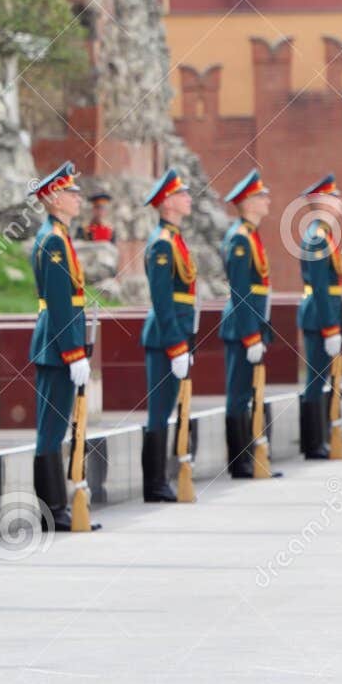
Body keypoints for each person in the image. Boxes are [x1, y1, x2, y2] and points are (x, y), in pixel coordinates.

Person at [27, 161, 98, 531]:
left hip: (59, 342)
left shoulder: (60, 236)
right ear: (54, 198)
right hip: (56, 344)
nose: (77, 198)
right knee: (51, 429)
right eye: (71, 192)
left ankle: (56, 507)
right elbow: (58, 302)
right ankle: (51, 509)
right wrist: (73, 353)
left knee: (54, 426)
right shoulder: (53, 239)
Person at [140, 169, 197, 502]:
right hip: (165, 337)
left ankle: (161, 480)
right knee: (159, 411)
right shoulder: (162, 243)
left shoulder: (174, 239)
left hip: (175, 336)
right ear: (169, 202)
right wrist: (176, 346)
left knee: (168, 409)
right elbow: (162, 299)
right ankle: (155, 484)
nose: (189, 199)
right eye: (183, 194)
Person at [218, 169, 277, 479]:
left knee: (248, 392)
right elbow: (240, 292)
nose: (268, 200)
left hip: (252, 324)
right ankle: (239, 463)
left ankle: (250, 457)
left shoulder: (250, 234)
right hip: (242, 327)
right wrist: (252, 335)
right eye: (262, 196)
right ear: (248, 202)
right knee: (238, 394)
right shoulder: (240, 238)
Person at [298, 174, 342, 460]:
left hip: (324, 314)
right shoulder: (316, 238)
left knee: (321, 377)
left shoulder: (324, 235)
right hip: (319, 316)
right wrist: (330, 327)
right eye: (333, 199)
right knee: (315, 379)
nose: (339, 203)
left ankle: (317, 440)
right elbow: (318, 287)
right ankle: (313, 443)